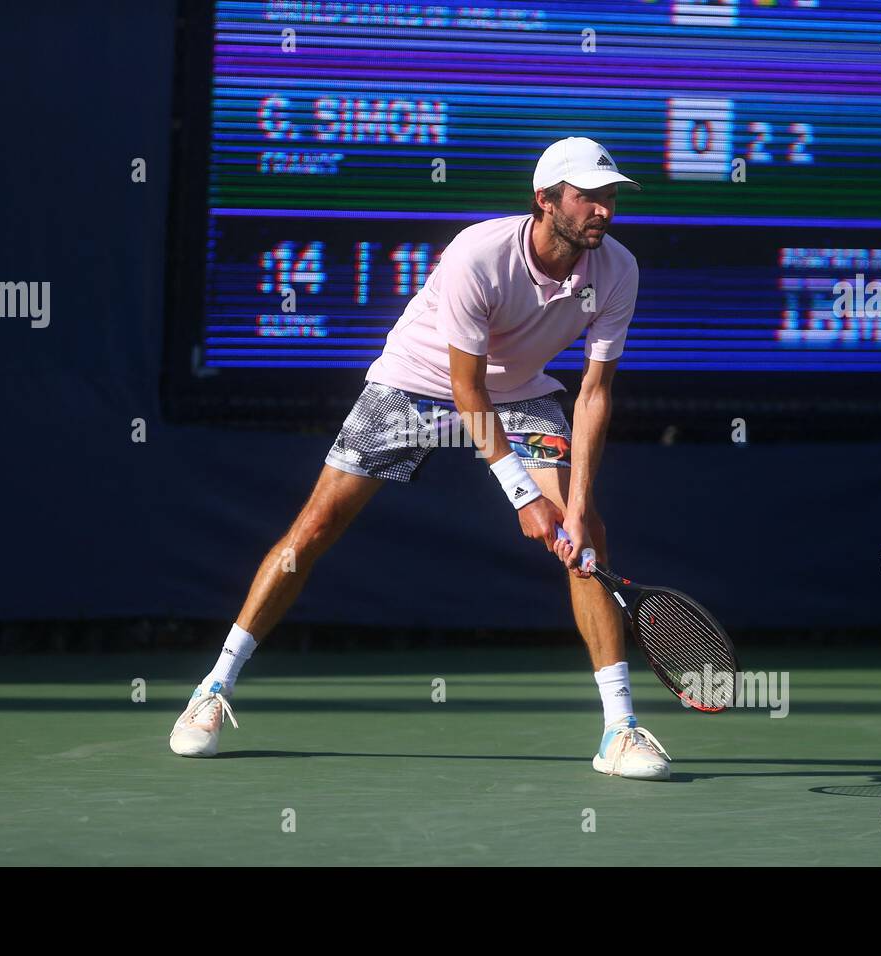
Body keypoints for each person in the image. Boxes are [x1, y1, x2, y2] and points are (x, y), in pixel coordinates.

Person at [170, 137, 671, 780]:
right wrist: (524, 496)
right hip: (415, 383)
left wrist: (573, 509)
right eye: (589, 197)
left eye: (609, 198)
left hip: (521, 394)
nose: (604, 210)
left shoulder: (618, 270)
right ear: (545, 201)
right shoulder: (478, 254)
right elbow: (467, 391)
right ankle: (212, 690)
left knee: (590, 538)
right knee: (313, 532)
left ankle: (620, 731)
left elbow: (595, 393)